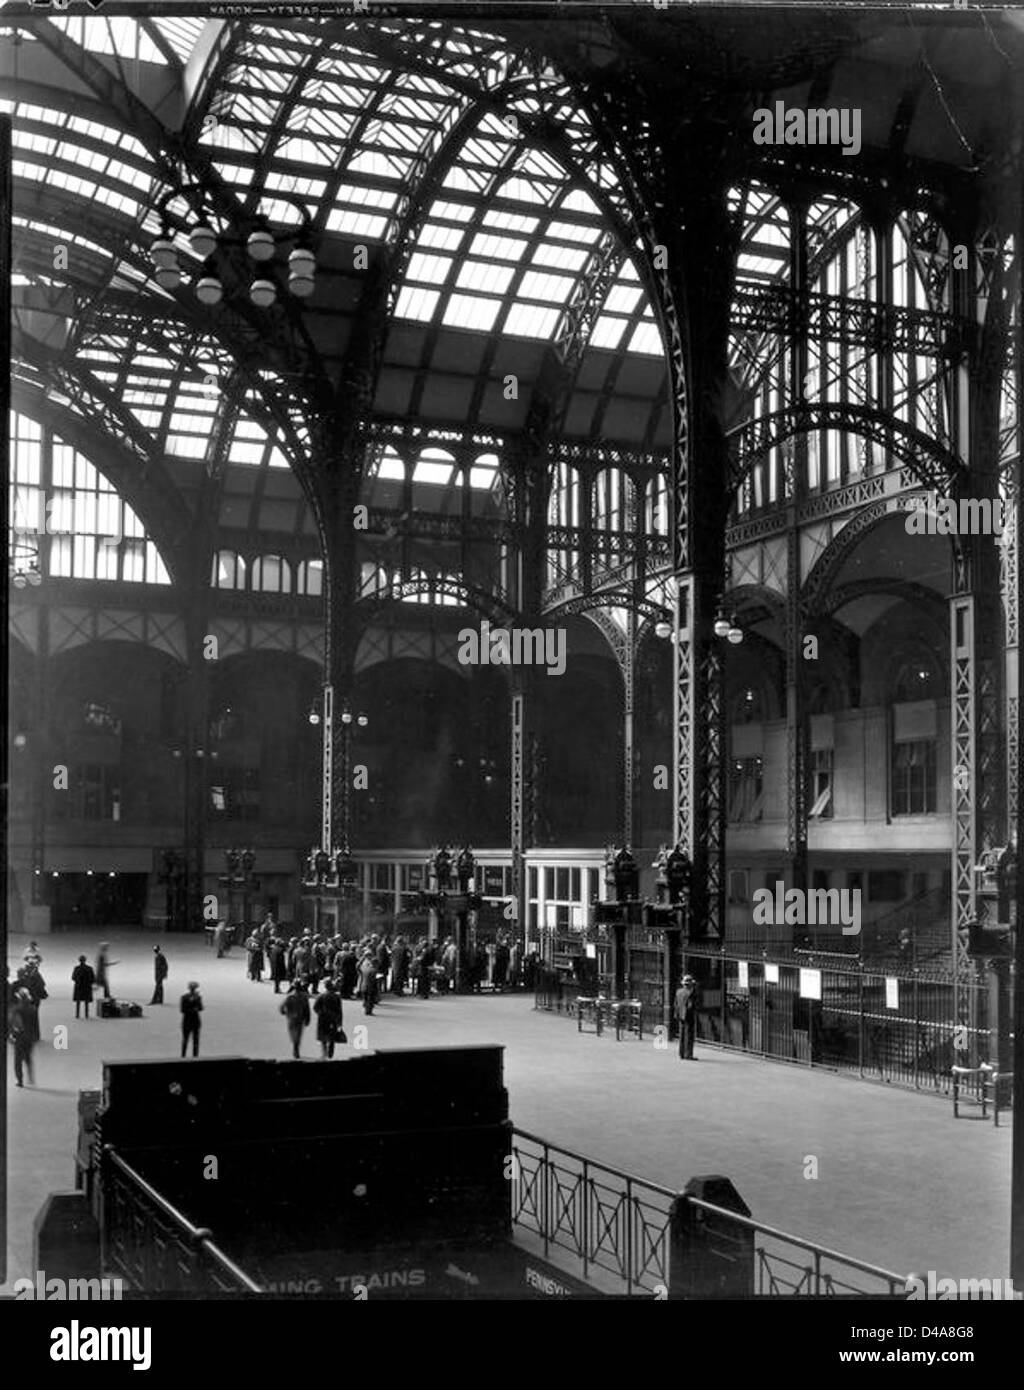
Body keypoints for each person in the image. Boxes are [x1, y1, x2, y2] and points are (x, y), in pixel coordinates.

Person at [10, 987, 38, 1087]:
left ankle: (20, 1080)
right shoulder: (33, 1009)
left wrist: (11, 1035)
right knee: (28, 1058)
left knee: (18, 1061)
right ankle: (30, 1076)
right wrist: (35, 1036)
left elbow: (14, 1024)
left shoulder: (16, 1009)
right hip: (30, 1036)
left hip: (20, 1037)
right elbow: (35, 1024)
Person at [313, 979, 344, 1059]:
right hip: (333, 1018)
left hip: (322, 1019)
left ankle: (324, 1052)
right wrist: (340, 1022)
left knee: (323, 1036)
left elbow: (315, 1007)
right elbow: (339, 1011)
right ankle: (330, 1050)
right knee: (332, 1035)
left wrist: (320, 1013)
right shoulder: (336, 997)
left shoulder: (321, 996)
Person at [280, 980, 310, 1059]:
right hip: (300, 1018)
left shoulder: (290, 996)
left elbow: (282, 1007)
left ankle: (295, 1045)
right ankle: (296, 1046)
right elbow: (307, 1009)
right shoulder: (304, 997)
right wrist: (307, 1019)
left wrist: (284, 1012)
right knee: (298, 1034)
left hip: (291, 1018)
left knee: (293, 1033)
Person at [674, 974, 699, 1061]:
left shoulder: (678, 992)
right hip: (688, 1016)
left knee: (682, 1035)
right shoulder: (690, 993)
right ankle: (688, 1054)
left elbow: (676, 1004)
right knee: (689, 1035)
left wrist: (677, 1014)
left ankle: (681, 1053)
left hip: (681, 1015)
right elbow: (690, 1005)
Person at [180, 981, 203, 1058]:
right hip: (188, 1022)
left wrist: (197, 1001)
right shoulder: (184, 997)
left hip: (193, 1022)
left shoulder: (198, 997)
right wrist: (193, 1009)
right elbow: (182, 1009)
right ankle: (184, 1056)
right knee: (186, 1041)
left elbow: (201, 1008)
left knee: (194, 1042)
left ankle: (195, 1056)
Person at [358, 950, 379, 1015]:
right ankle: (368, 1011)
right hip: (369, 987)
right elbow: (373, 981)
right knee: (370, 999)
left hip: (363, 985)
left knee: (366, 998)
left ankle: (366, 1009)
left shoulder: (365, 968)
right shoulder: (373, 970)